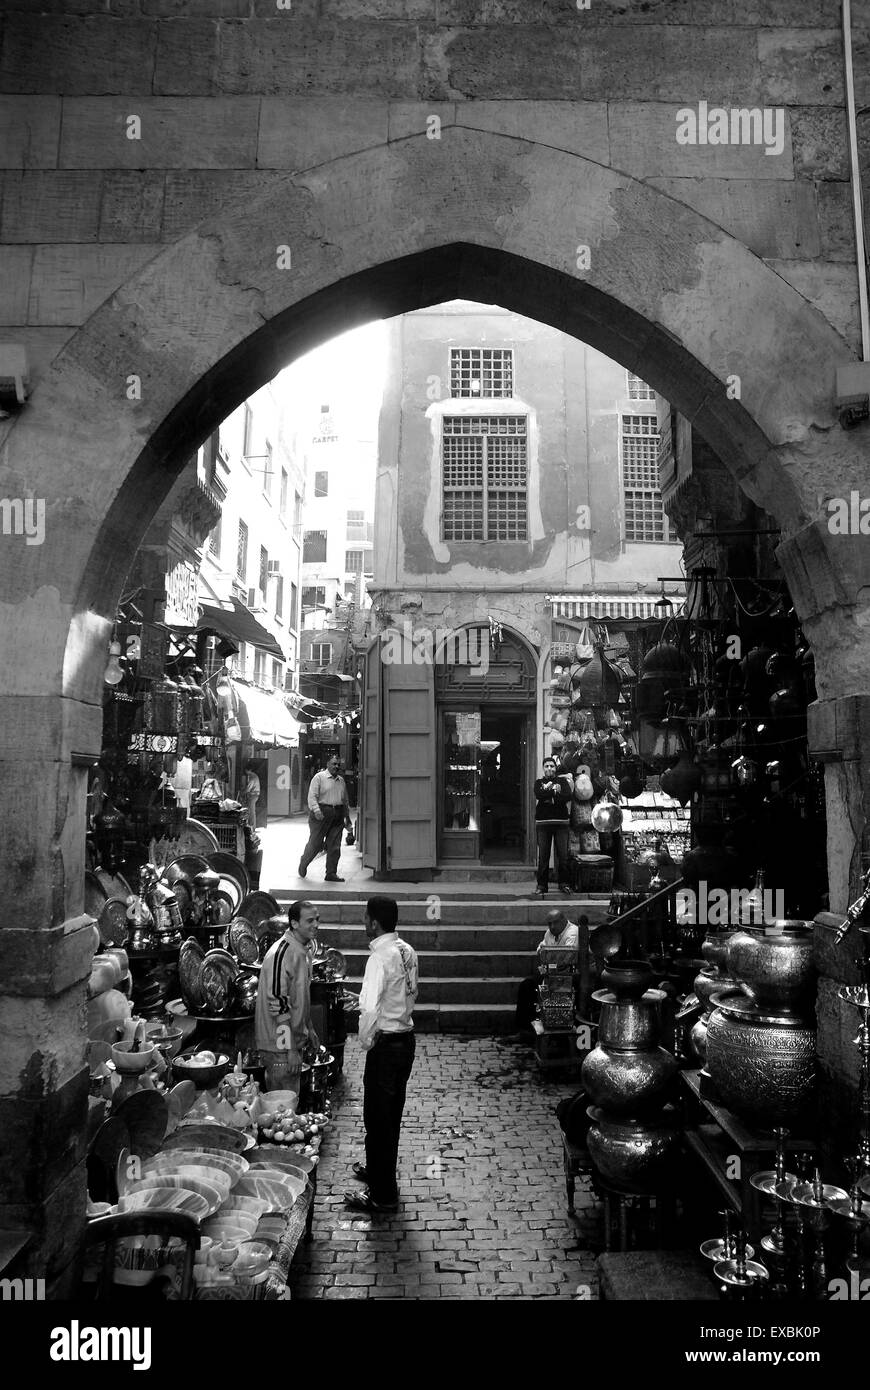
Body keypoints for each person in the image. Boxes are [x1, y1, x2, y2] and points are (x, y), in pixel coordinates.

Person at [344, 895, 418, 1214]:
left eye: (365, 917)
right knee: (389, 1115)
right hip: (405, 1039)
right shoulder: (406, 950)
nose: (364, 923)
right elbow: (406, 992)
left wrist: (366, 1039)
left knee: (378, 1118)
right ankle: (377, 1173)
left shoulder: (379, 958)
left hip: (386, 1045)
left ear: (374, 922)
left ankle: (382, 1194)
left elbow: (371, 1007)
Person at [255, 900, 320, 1094]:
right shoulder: (281, 953)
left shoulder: (303, 950)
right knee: (283, 1110)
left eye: (317, 919)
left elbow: (300, 999)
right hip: (279, 1048)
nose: (315, 925)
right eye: (310, 921)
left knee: (289, 1108)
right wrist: (290, 1049)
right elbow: (278, 1005)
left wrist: (310, 1029)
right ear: (294, 923)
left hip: (289, 1044)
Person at [515, 908, 581, 1033]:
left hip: (570, 976)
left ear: (563, 921)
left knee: (533, 986)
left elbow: (566, 956)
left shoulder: (573, 933)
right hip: (552, 974)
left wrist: (548, 953)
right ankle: (524, 1029)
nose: (552, 927)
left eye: (555, 923)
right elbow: (541, 946)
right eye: (549, 924)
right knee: (527, 986)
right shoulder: (549, 933)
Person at [298, 753, 353, 882]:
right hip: (321, 814)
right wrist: (316, 811)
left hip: (337, 815)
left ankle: (331, 873)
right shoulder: (319, 778)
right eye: (334, 764)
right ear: (327, 764)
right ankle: (304, 861)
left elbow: (345, 800)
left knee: (335, 846)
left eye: (338, 764)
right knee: (316, 844)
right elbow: (312, 796)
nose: (336, 766)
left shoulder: (341, 780)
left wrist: (347, 817)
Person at [534, 755, 572, 896]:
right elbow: (539, 794)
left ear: (555, 768)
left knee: (563, 856)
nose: (549, 768)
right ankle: (542, 885)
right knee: (543, 856)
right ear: (543, 769)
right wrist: (555, 792)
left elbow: (567, 796)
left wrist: (549, 795)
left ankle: (564, 884)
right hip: (543, 824)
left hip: (561, 823)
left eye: (552, 766)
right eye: (546, 766)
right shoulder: (538, 782)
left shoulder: (563, 781)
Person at [243, 760, 260, 828]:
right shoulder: (255, 775)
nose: (245, 772)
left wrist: (243, 792)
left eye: (246, 770)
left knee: (251, 811)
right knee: (252, 811)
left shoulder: (252, 777)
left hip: (253, 795)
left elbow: (248, 788)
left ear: (249, 770)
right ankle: (252, 826)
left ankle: (251, 826)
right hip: (255, 795)